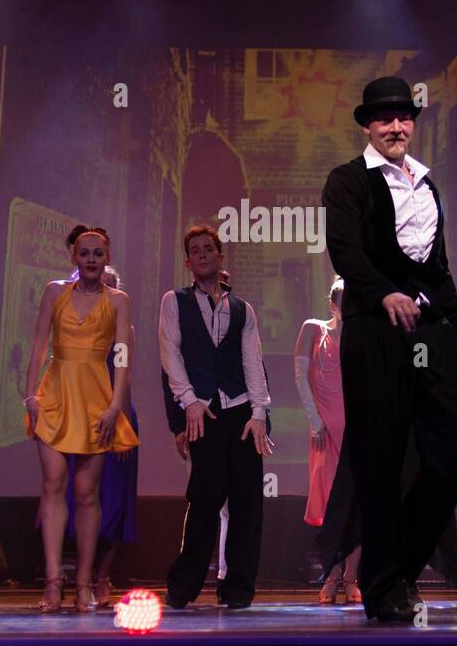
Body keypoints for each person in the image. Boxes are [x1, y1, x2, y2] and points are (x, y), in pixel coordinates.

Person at [321, 76, 457, 622]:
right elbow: (346, 251)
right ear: (368, 126)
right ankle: (383, 586)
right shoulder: (349, 181)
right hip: (375, 332)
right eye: (386, 119)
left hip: (430, 334)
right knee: (381, 461)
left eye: (405, 118)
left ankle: (400, 566)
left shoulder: (427, 184)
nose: (397, 127)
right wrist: (383, 292)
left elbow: (437, 269)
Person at [22, 226, 139, 613]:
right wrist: (30, 395)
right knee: (53, 485)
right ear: (74, 257)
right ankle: (54, 583)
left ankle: (84, 584)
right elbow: (39, 343)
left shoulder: (118, 301)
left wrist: (114, 406)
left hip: (95, 400)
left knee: (88, 495)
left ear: (107, 259)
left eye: (98, 254)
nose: (91, 259)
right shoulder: (55, 291)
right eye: (84, 253)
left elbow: (121, 356)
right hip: (55, 396)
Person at [159, 226, 273, 609]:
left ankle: (238, 590)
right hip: (202, 411)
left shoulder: (242, 309)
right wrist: (188, 401)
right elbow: (170, 355)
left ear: (220, 257)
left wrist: (259, 413)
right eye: (196, 250)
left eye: (210, 248)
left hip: (240, 410)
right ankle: (183, 586)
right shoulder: (174, 302)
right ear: (188, 262)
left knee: (247, 504)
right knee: (204, 500)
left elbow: (252, 363)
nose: (204, 254)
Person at [295, 276, 362, 604]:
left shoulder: (361, 336)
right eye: (343, 300)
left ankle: (350, 578)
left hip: (356, 431)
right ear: (332, 303)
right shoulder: (313, 329)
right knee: (328, 504)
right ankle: (331, 577)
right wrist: (315, 421)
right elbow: (300, 377)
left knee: (356, 504)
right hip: (323, 431)